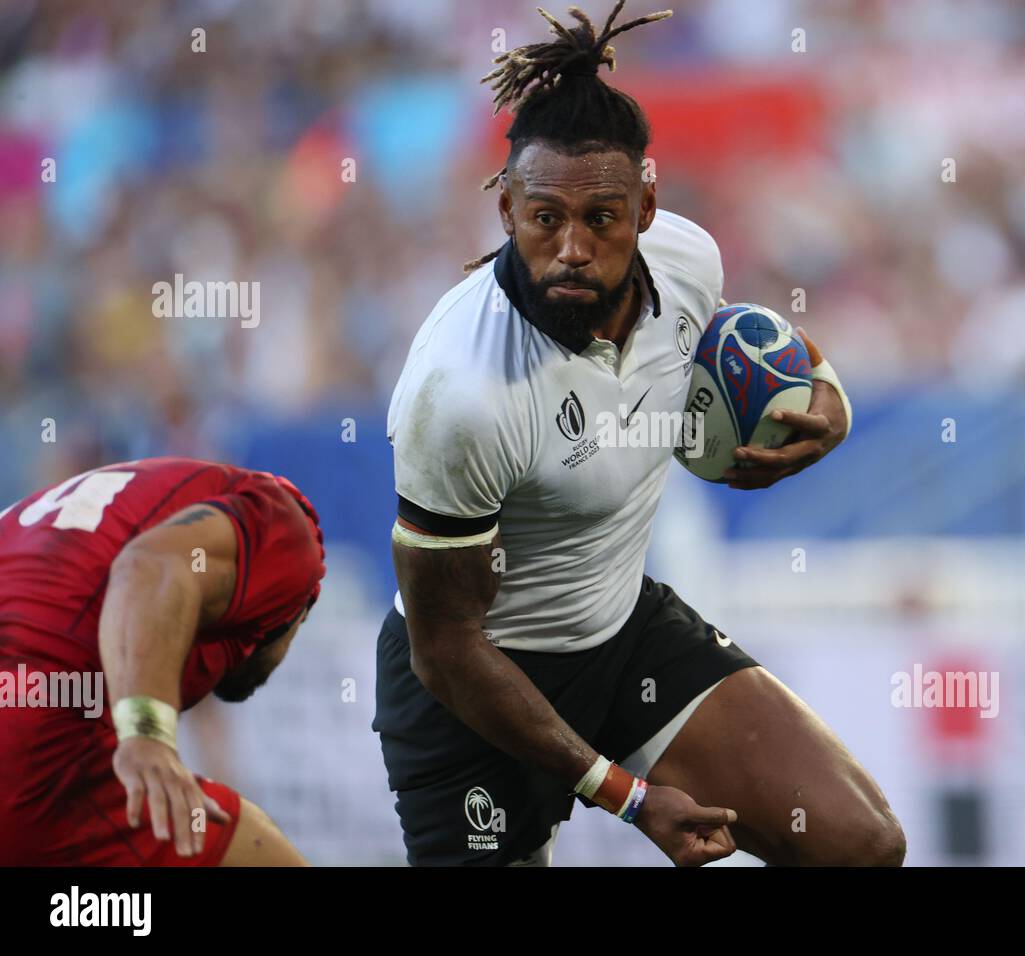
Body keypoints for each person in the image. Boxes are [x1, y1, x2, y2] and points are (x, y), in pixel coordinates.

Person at [375, 2, 903, 866]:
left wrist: (829, 400)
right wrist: (624, 795)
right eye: (546, 218)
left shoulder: (689, 262)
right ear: (505, 209)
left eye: (602, 218)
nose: (572, 249)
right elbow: (445, 649)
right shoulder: (459, 393)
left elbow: (770, 343)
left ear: (647, 207)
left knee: (861, 845)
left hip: (623, 640)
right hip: (473, 694)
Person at [0, 457, 326, 865]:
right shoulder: (284, 528)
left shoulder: (53, 525)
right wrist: (147, 733)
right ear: (298, 610)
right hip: (36, 738)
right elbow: (149, 565)